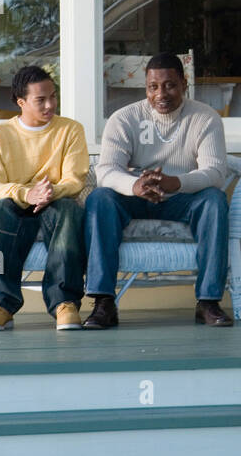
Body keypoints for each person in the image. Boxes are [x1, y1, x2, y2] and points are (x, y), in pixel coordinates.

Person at [84, 52, 232, 328]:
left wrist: (175, 182)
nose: (161, 94)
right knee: (100, 198)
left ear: (184, 84)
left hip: (181, 198)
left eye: (170, 85)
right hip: (135, 197)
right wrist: (135, 185)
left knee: (214, 200)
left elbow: (215, 172)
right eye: (153, 87)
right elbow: (106, 171)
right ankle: (103, 302)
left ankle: (208, 302)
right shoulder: (125, 119)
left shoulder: (205, 118)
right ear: (146, 88)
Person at [0, 65, 89, 332]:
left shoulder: (70, 130)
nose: (50, 104)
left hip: (54, 202)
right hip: (14, 205)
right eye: (41, 100)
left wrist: (49, 193)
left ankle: (65, 302)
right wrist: (26, 193)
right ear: (21, 102)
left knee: (68, 210)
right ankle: (0, 303)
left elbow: (74, 180)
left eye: (53, 96)